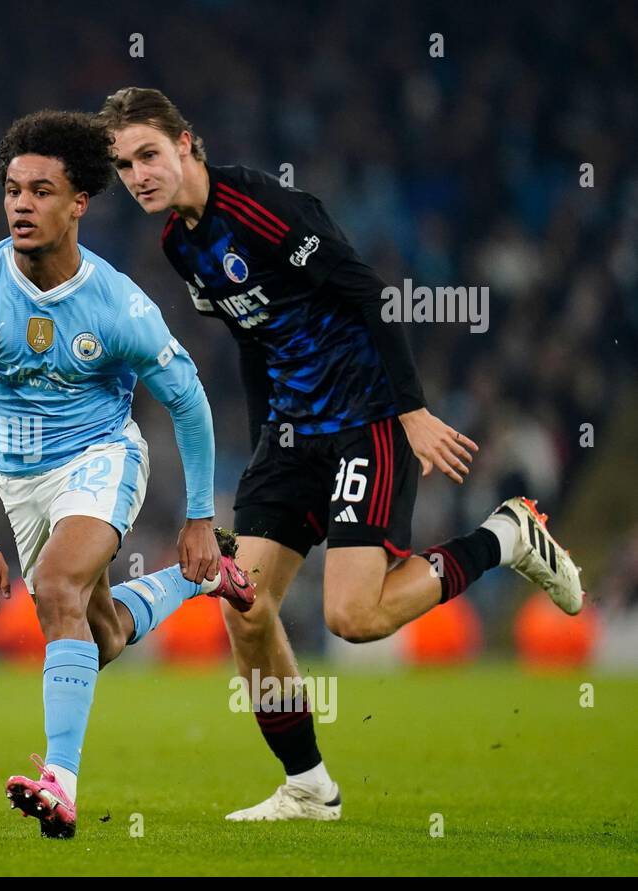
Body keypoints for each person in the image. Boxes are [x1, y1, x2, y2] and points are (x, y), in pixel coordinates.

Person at [100, 88, 584, 821]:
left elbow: (367, 293)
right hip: (294, 435)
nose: (138, 174)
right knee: (245, 603)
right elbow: (250, 338)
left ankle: (505, 536)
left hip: (367, 420)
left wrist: (412, 410)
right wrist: (267, 439)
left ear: (186, 144)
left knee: (354, 619)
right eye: (123, 164)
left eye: (148, 154)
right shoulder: (179, 244)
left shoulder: (261, 208)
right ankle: (309, 788)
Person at [0, 111, 253, 839]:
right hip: (18, 478)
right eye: (12, 189)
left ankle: (60, 783)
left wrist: (199, 514)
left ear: (79, 203)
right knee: (96, 634)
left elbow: (190, 403)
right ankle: (198, 578)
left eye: (41, 191)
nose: (20, 204)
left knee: (54, 588)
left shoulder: (119, 307)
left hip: (101, 459)